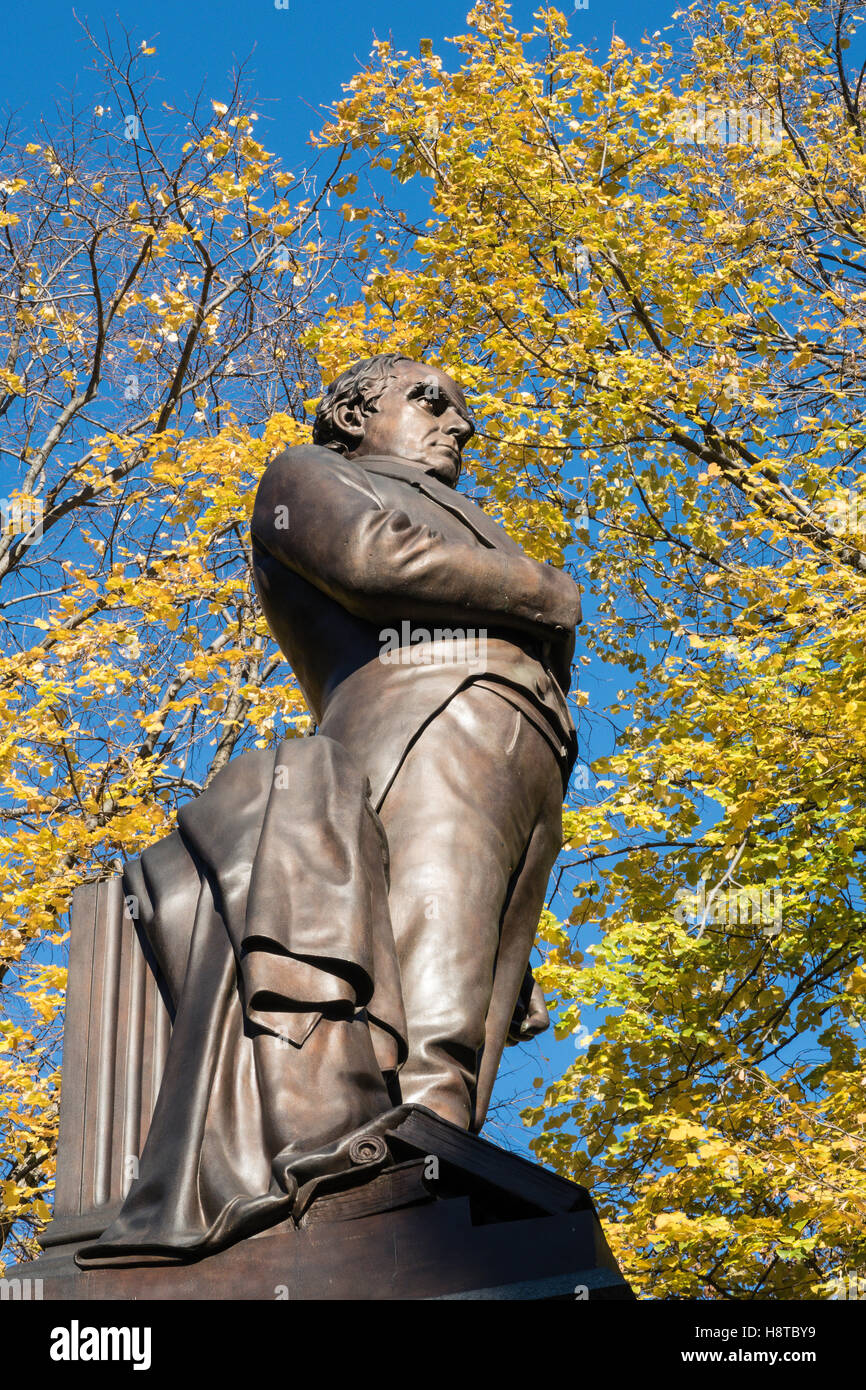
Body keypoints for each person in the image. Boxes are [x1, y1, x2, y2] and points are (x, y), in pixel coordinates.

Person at [252, 353, 581, 1131]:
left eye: (459, 410)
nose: (458, 423)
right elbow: (375, 559)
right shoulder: (306, 474)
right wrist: (544, 590)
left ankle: (441, 1155)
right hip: (429, 716)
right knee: (428, 1022)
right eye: (430, 401)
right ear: (353, 417)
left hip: (519, 751)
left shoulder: (460, 516)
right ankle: (404, 1177)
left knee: (474, 1005)